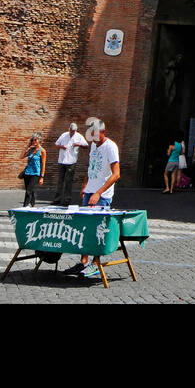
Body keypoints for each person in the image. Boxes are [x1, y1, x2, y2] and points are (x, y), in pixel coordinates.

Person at [65, 116, 120, 278]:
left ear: (102, 132)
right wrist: (85, 187)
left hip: (102, 195)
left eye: (95, 136)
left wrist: (98, 192)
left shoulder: (111, 147)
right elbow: (91, 168)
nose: (93, 140)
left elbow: (116, 174)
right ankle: (83, 262)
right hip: (90, 192)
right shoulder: (94, 146)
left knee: (97, 230)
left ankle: (95, 264)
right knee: (83, 228)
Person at [52, 121, 88, 206]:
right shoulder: (64, 135)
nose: (72, 132)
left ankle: (67, 200)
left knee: (68, 181)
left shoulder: (79, 136)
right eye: (71, 130)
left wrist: (79, 144)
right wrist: (62, 147)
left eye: (74, 131)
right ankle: (57, 199)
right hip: (62, 160)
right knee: (60, 181)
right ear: (69, 129)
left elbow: (86, 146)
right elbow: (56, 144)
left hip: (71, 161)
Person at [21, 133, 45, 207]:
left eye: (35, 140)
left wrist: (42, 177)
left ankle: (24, 206)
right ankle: (33, 205)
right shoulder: (31, 150)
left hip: (35, 173)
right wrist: (27, 147)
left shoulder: (42, 151)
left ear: (39, 141)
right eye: (32, 140)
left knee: (29, 191)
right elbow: (21, 156)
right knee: (31, 190)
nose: (33, 141)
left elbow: (43, 164)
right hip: (27, 172)